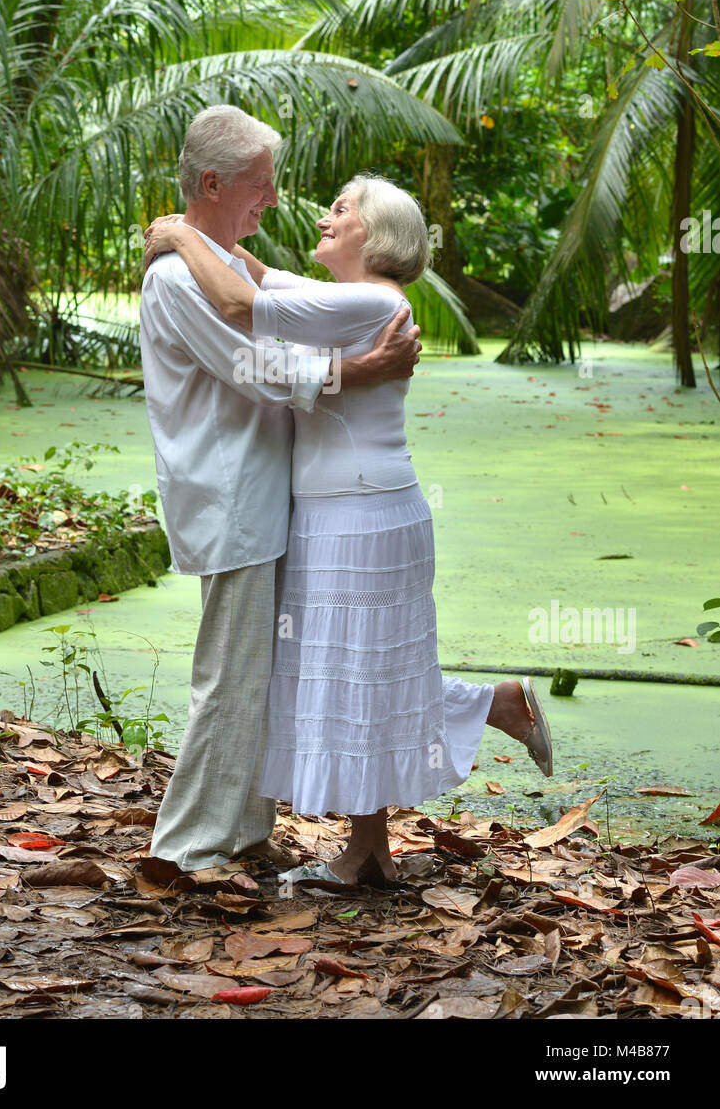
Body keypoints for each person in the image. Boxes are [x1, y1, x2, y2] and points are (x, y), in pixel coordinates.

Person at [144, 173, 553, 888]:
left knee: (353, 672)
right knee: (348, 673)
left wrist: (178, 234)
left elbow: (240, 299)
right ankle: (377, 840)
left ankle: (374, 843)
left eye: (342, 210)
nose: (324, 216)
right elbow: (260, 275)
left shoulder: (369, 301)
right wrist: (206, 236)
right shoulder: (341, 299)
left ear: (378, 236)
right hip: (332, 513)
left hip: (361, 515)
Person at [138, 107, 422, 875]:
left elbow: (270, 296)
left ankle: (239, 831)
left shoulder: (218, 261)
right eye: (261, 184)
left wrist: (188, 234)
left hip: (269, 495)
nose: (273, 198)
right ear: (212, 182)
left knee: (259, 676)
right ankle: (187, 847)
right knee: (230, 677)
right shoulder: (177, 277)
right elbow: (252, 367)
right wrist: (354, 373)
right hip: (230, 496)